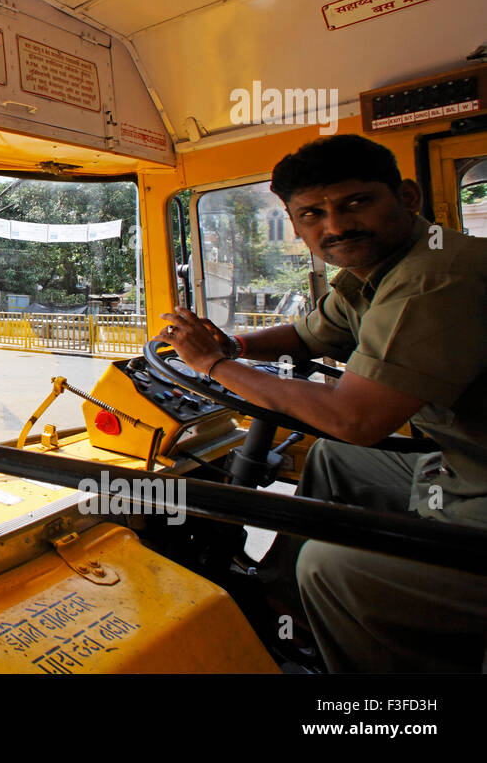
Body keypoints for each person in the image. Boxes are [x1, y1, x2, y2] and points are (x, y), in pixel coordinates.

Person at [156, 134, 487, 672]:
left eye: (356, 203)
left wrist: (214, 368)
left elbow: (354, 418)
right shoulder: (376, 274)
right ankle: (289, 602)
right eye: (312, 214)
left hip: (476, 490)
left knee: (332, 565)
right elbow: (311, 334)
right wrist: (234, 347)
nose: (334, 227)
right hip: (463, 471)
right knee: (334, 461)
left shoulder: (435, 277)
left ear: (407, 198)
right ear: (296, 223)